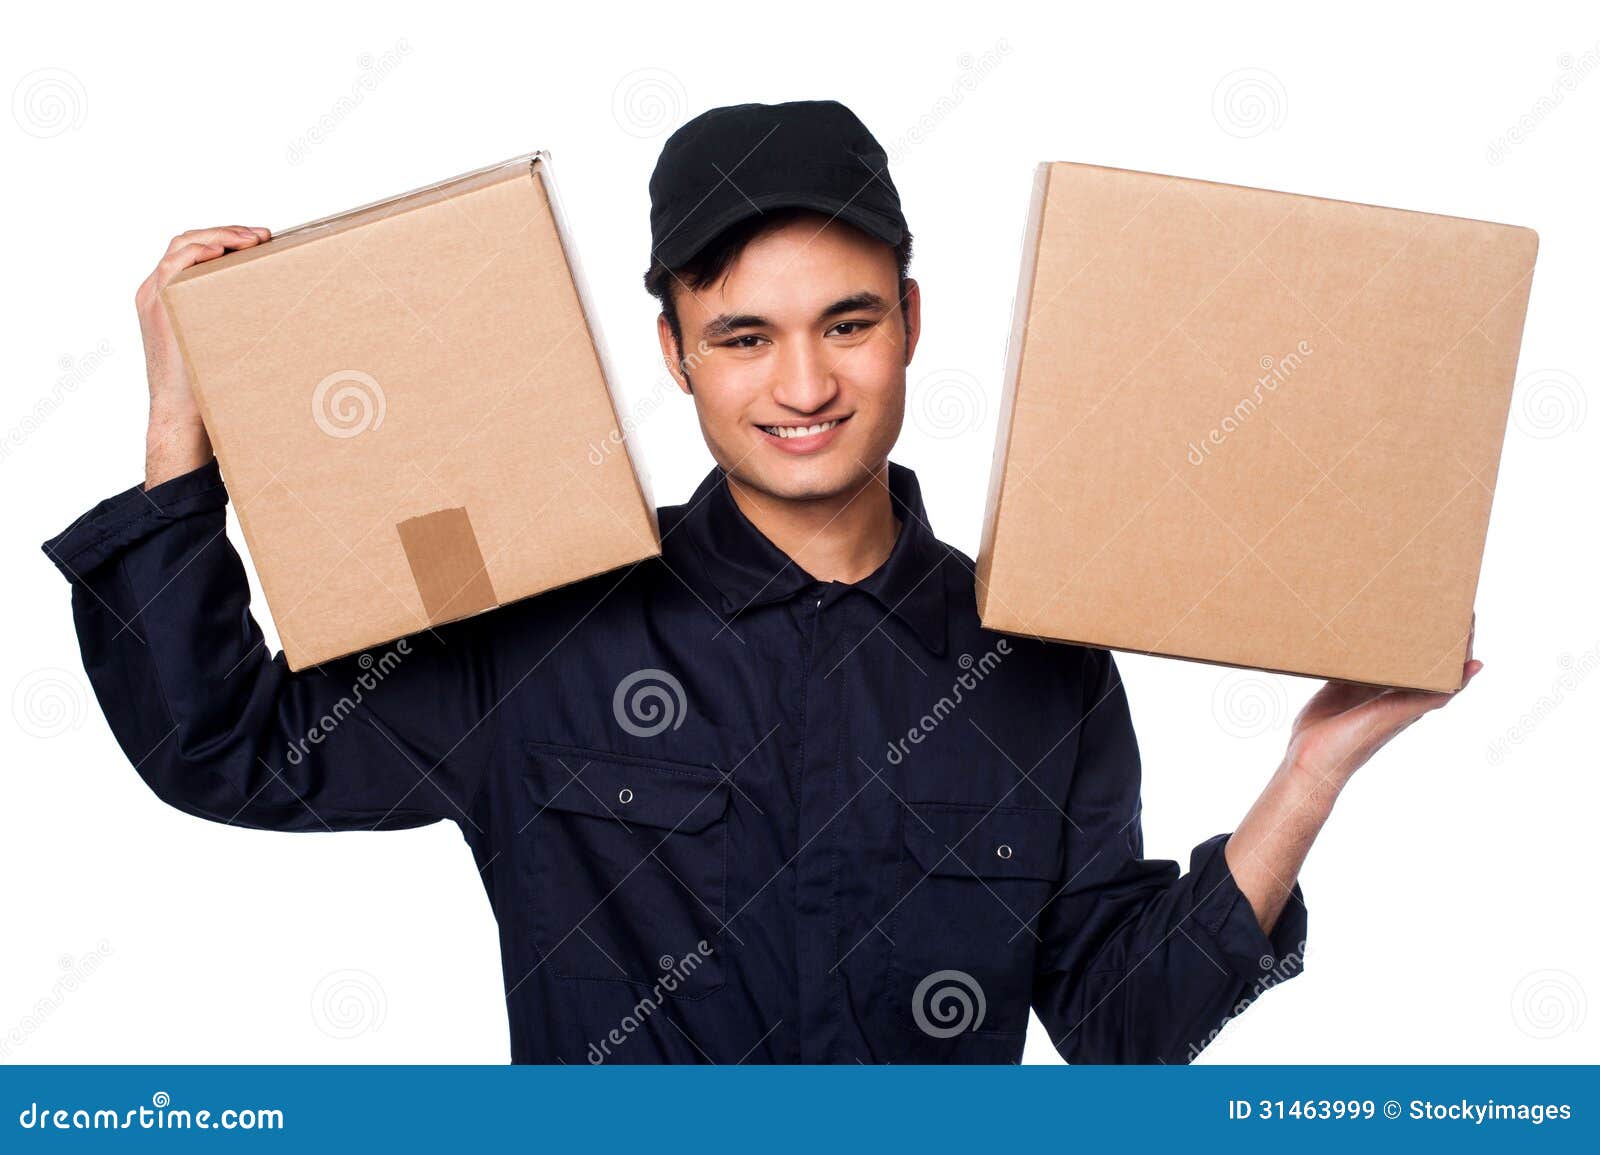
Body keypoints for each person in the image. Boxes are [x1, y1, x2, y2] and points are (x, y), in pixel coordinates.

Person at [41, 100, 1478, 1064]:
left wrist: (1314, 769)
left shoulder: (1039, 665)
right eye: (744, 336)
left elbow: (1124, 1027)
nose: (804, 386)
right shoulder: (546, 636)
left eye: (847, 323)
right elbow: (224, 748)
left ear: (911, 322)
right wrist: (183, 430)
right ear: (674, 351)